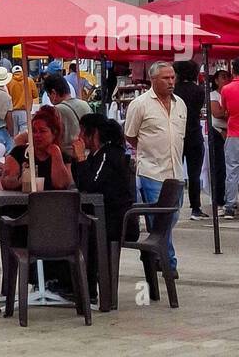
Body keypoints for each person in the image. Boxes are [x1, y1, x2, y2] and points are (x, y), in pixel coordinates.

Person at [124, 62, 186, 274]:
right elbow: (130, 135)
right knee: (160, 219)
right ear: (153, 80)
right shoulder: (140, 105)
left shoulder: (180, 105)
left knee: (172, 216)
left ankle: (157, 256)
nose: (170, 82)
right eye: (165, 78)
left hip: (175, 170)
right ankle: (168, 262)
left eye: (172, 77)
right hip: (152, 170)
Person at [72, 114, 138, 296]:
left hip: (116, 221)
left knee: (80, 231)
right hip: (103, 216)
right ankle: (81, 285)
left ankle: (89, 288)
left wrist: (80, 158)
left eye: (82, 132)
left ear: (93, 134)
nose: (79, 137)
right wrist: (78, 161)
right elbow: (81, 184)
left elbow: (90, 185)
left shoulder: (108, 154)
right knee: (74, 228)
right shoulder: (97, 155)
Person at [1, 106, 74, 190]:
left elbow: (61, 185)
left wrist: (56, 154)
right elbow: (6, 183)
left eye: (42, 131)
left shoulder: (63, 157)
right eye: (34, 131)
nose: (37, 135)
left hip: (52, 202)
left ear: (54, 133)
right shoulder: (19, 153)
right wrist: (21, 180)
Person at [174, 61, 206, 220]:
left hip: (177, 133)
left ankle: (174, 204)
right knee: (195, 173)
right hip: (194, 133)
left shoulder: (174, 91)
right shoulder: (199, 91)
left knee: (175, 170)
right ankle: (196, 207)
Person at [42, 73, 90, 152]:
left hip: (67, 156)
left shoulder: (55, 111)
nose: (49, 98)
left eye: (48, 95)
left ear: (53, 93)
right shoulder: (85, 105)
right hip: (85, 155)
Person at [219, 57, 239, 219]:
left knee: (232, 170)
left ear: (233, 70)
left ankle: (230, 206)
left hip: (233, 133)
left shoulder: (226, 89)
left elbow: (224, 111)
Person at [209, 69, 231, 208]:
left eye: (228, 77)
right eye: (223, 77)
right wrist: (230, 112)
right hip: (217, 132)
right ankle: (219, 198)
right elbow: (217, 113)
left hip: (232, 131)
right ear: (216, 80)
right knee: (220, 166)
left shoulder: (229, 92)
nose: (226, 79)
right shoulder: (213, 95)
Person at [8, 63, 38, 135]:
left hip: (12, 112)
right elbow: (35, 95)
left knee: (14, 136)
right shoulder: (29, 81)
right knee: (25, 136)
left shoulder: (9, 82)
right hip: (26, 112)